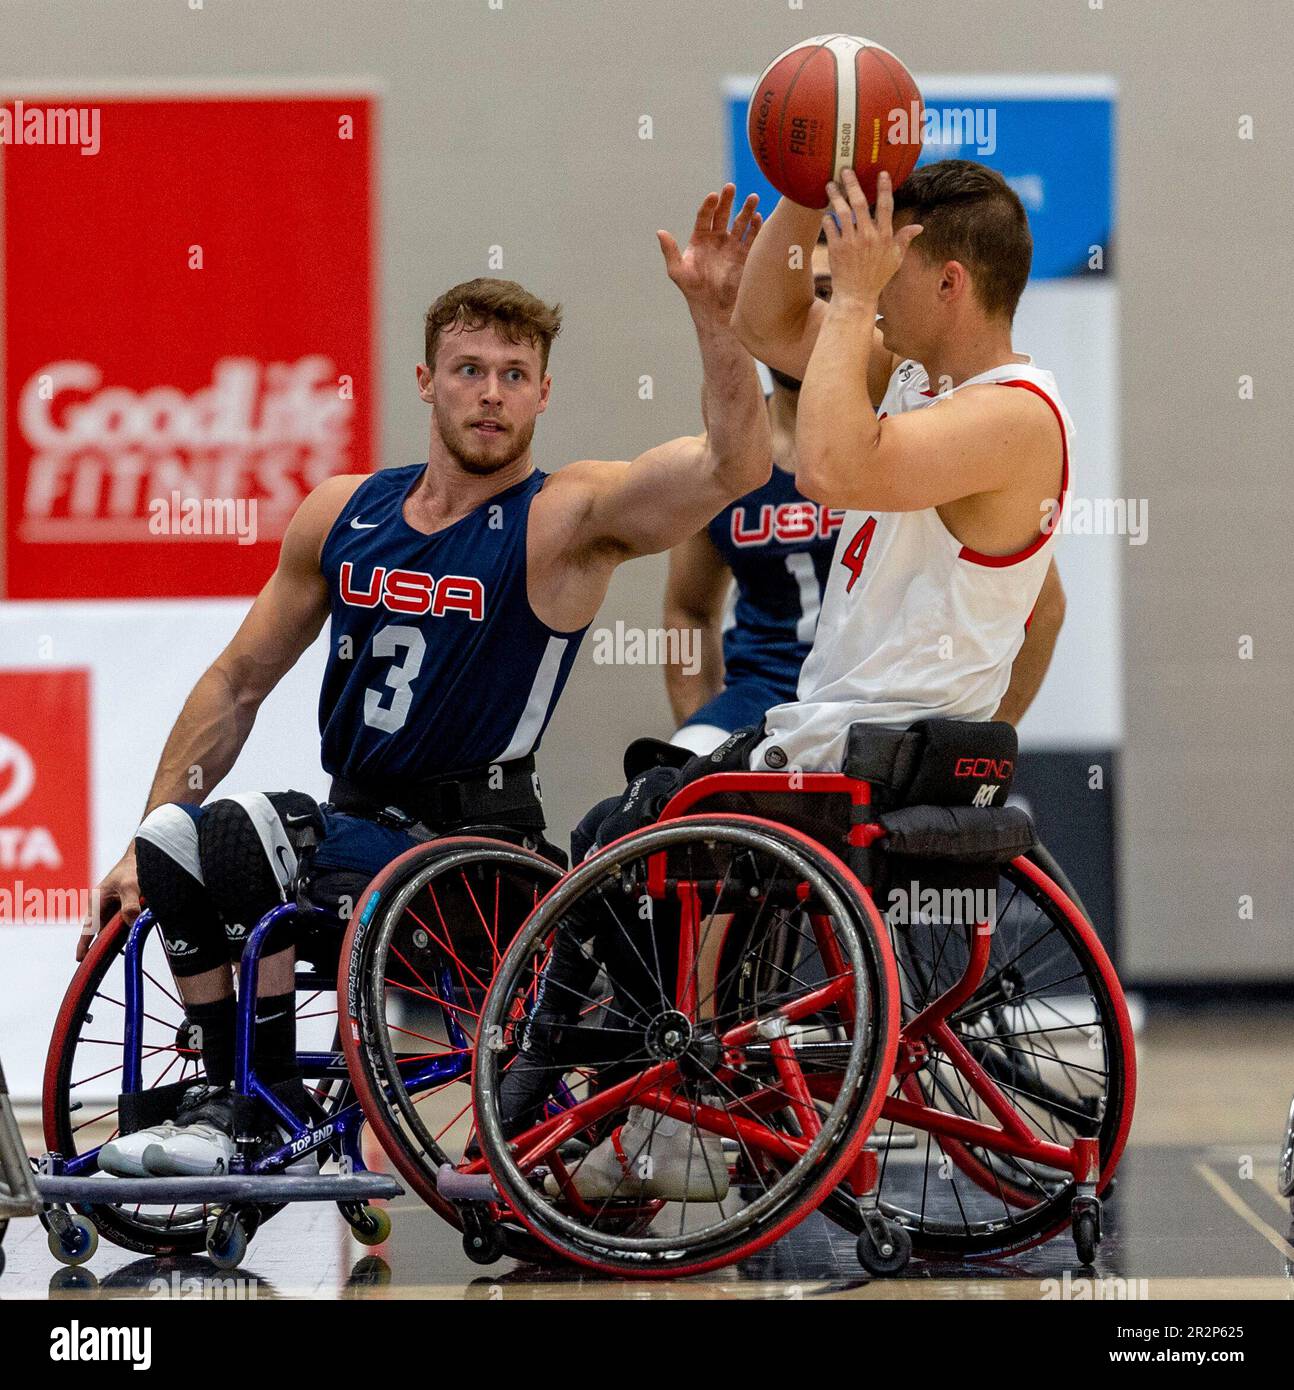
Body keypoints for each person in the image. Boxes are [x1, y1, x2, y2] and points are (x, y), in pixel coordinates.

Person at [79, 185, 773, 1178]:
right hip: (350, 829)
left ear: (542, 395)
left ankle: (253, 1108)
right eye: (469, 370)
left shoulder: (565, 518)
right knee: (178, 840)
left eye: (513, 374)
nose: (490, 391)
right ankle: (231, 1097)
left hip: (471, 855)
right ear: (426, 380)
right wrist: (141, 848)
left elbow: (733, 464)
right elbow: (237, 681)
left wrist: (715, 316)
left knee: (230, 842)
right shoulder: (344, 512)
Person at [535, 158, 1073, 1198]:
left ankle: (649, 1111)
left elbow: (828, 468)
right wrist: (812, 166)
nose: (860, 290)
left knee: (624, 830)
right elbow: (767, 316)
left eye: (889, 266)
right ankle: (630, 1099)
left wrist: (855, 301)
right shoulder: (923, 382)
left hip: (868, 746)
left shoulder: (1013, 413)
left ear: (948, 281)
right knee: (635, 829)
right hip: (845, 734)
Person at [665, 225, 1065, 759]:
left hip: (875, 707)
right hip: (759, 693)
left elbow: (1047, 604)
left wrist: (993, 735)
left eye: (829, 293)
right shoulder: (726, 455)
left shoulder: (917, 423)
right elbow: (687, 609)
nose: (814, 310)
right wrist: (696, 724)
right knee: (660, 788)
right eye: (801, 294)